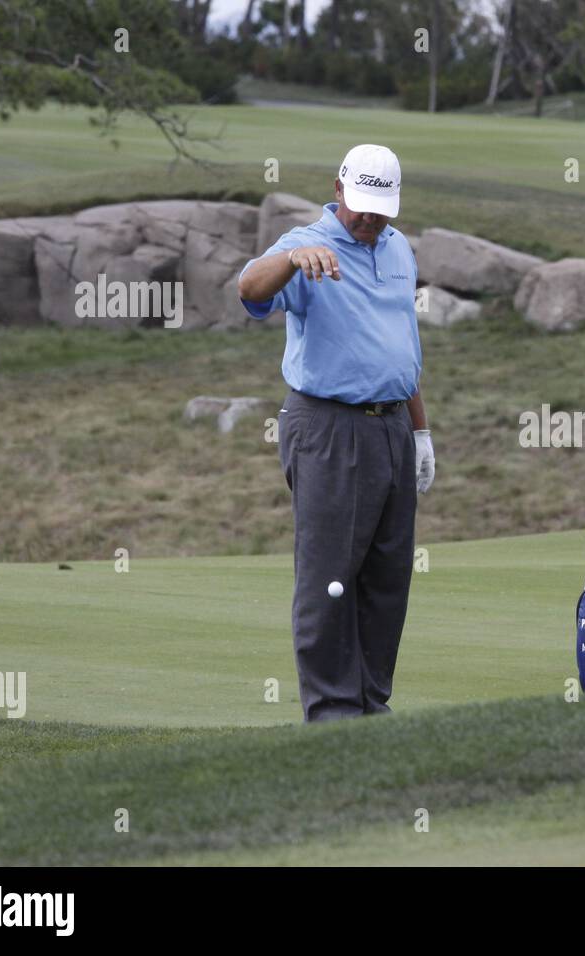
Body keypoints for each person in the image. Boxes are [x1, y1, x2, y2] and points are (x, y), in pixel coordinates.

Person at [237, 143, 435, 722]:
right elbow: (249, 289)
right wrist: (294, 259)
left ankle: (372, 705)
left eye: (382, 208)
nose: (370, 218)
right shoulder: (306, 245)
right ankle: (332, 715)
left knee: (387, 575)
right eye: (362, 205)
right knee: (329, 579)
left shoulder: (398, 248)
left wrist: (420, 432)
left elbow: (402, 346)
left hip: (394, 426)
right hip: (328, 427)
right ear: (339, 188)